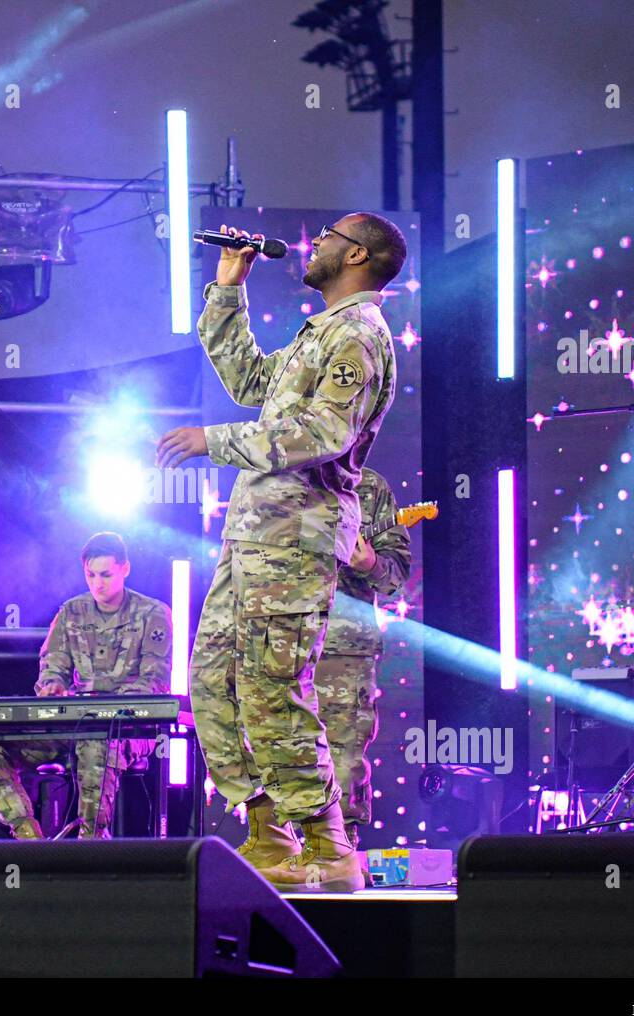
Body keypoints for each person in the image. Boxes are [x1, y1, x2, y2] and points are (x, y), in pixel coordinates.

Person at [157, 214, 406, 891]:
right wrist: (228, 289)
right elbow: (250, 384)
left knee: (273, 687)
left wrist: (215, 441)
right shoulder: (321, 332)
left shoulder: (359, 335)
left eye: (330, 235)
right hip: (254, 535)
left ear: (357, 255)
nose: (315, 241)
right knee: (213, 683)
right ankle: (270, 833)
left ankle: (330, 845)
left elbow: (324, 432)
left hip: (296, 537)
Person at [0, 532, 172, 839]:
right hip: (74, 723)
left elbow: (154, 681)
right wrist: (52, 686)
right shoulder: (71, 612)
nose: (97, 583)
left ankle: (90, 843)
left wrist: (105, 707)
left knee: (95, 741)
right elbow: (52, 665)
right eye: (91, 575)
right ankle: (29, 839)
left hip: (131, 728)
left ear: (125, 569)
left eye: (106, 574)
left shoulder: (153, 614)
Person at [314, 468, 411, 858]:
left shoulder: (368, 487)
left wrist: (371, 563)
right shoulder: (276, 476)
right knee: (276, 746)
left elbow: (396, 576)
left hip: (343, 649)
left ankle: (340, 852)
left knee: (342, 754)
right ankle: (279, 846)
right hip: (278, 642)